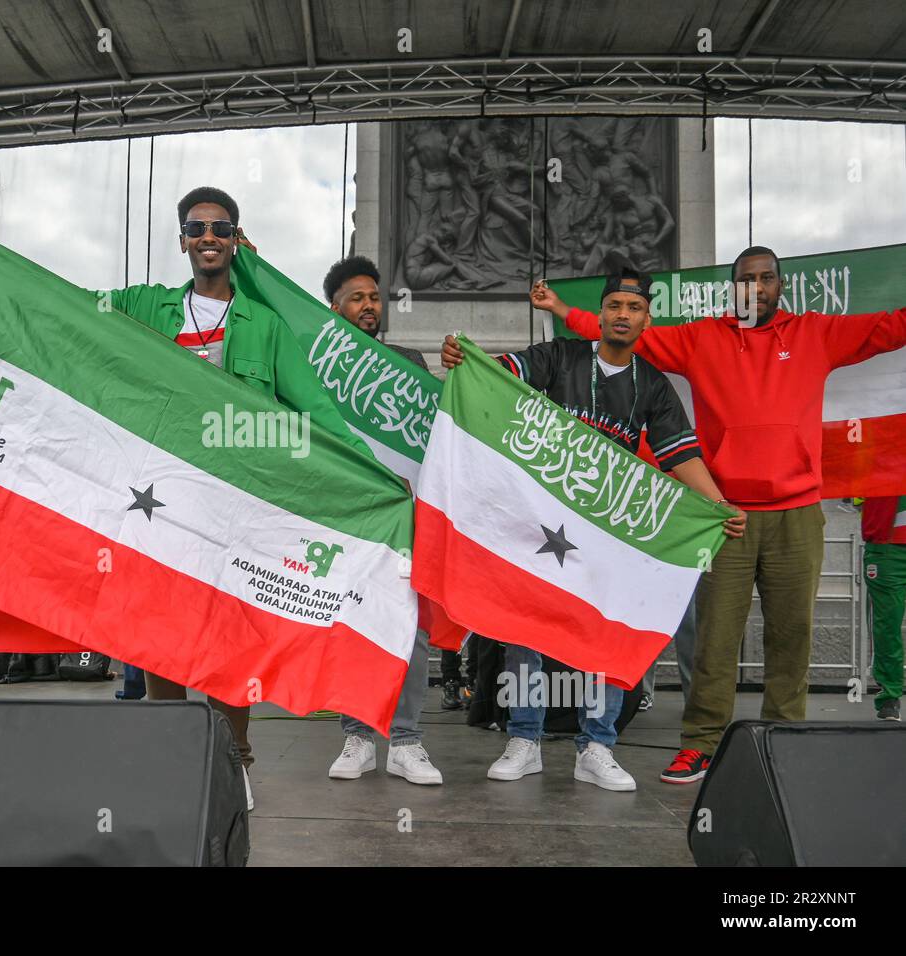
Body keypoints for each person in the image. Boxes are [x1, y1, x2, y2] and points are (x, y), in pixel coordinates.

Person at [545, 246, 906, 782]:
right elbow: (627, 332)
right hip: (724, 516)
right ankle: (701, 744)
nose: (755, 288)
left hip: (798, 514)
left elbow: (888, 329)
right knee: (716, 636)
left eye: (765, 279)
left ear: (780, 286)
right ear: (731, 287)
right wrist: (560, 308)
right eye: (745, 280)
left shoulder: (815, 334)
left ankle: (785, 740)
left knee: (792, 635)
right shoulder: (700, 340)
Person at [107, 187, 380, 808]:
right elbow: (62, 306)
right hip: (163, 498)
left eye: (221, 228)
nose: (208, 237)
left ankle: (235, 763)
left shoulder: (267, 326)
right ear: (182, 239)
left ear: (236, 240)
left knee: (230, 635)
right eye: (196, 228)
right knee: (163, 631)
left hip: (237, 502)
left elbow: (315, 412)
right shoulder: (147, 305)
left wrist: (371, 475)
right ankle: (173, 758)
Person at [442, 268, 745, 791]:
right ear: (600, 314)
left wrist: (718, 503)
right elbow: (502, 373)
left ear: (647, 318)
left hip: (609, 532)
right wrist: (465, 359)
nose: (622, 315)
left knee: (606, 632)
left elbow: (680, 453)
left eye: (633, 308)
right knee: (525, 630)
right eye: (614, 306)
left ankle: (597, 748)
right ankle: (524, 739)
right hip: (544, 521)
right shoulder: (560, 355)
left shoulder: (652, 384)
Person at [319, 255, 443, 785]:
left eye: (374, 297)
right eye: (357, 298)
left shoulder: (409, 361)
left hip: (401, 519)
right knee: (352, 622)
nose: (369, 306)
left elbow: (437, 432)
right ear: (334, 308)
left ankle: (407, 740)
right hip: (345, 516)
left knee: (408, 629)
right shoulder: (317, 368)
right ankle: (357, 736)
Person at [860, 496, 906, 721]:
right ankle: (889, 697)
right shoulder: (873, 458)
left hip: (886, 546)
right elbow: (856, 493)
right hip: (887, 547)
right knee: (888, 626)